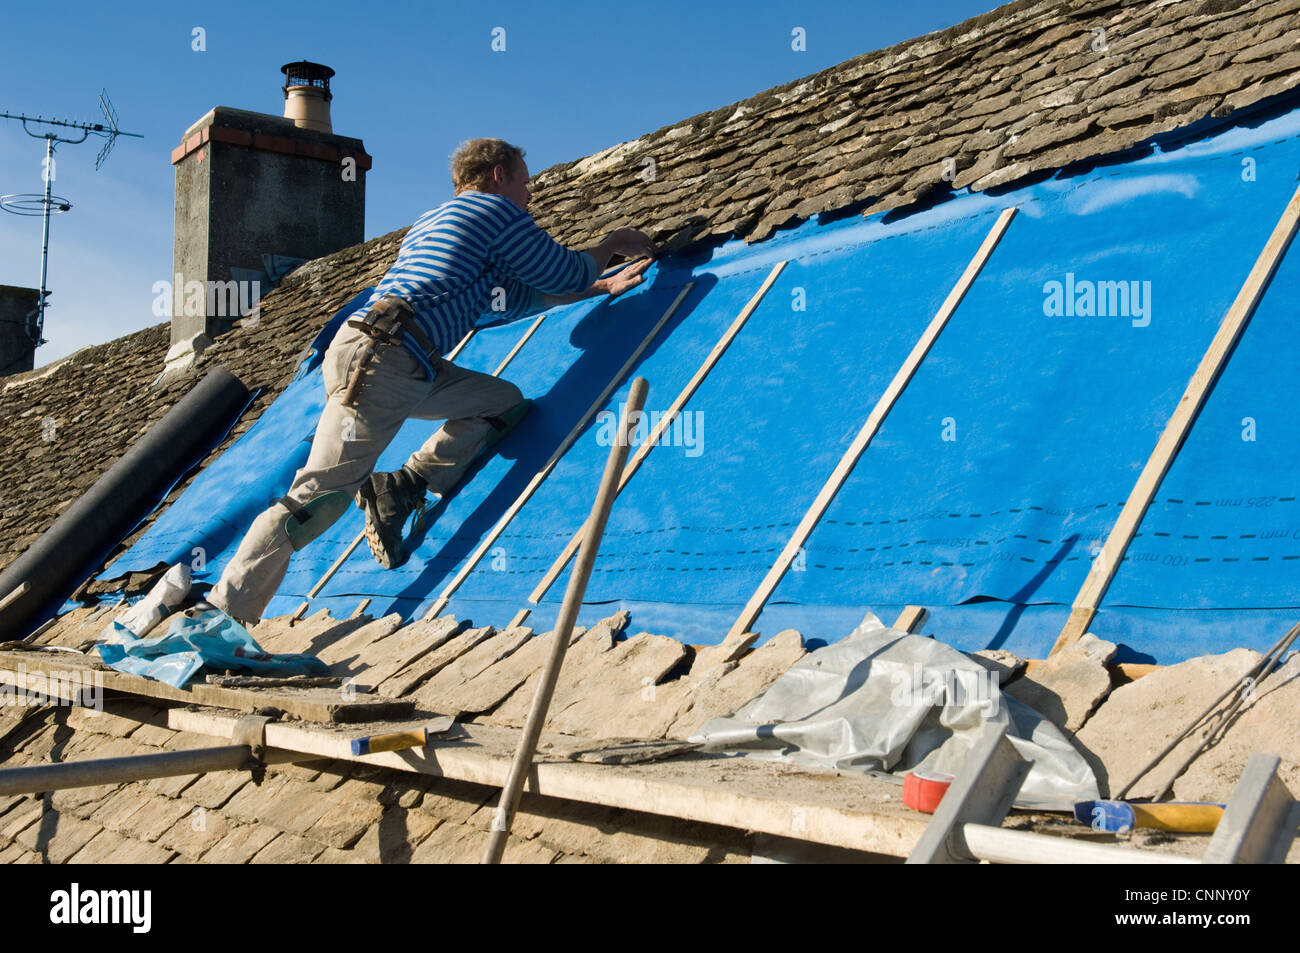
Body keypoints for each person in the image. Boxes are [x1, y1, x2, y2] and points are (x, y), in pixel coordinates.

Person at [205, 138, 655, 624]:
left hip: (399, 356)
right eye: (525, 181)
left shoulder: (437, 223)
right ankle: (223, 616)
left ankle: (404, 484)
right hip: (384, 359)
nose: (531, 195)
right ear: (498, 175)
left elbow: (511, 301)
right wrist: (611, 245)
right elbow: (558, 270)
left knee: (501, 402)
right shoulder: (493, 211)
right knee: (320, 495)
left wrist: (602, 285)